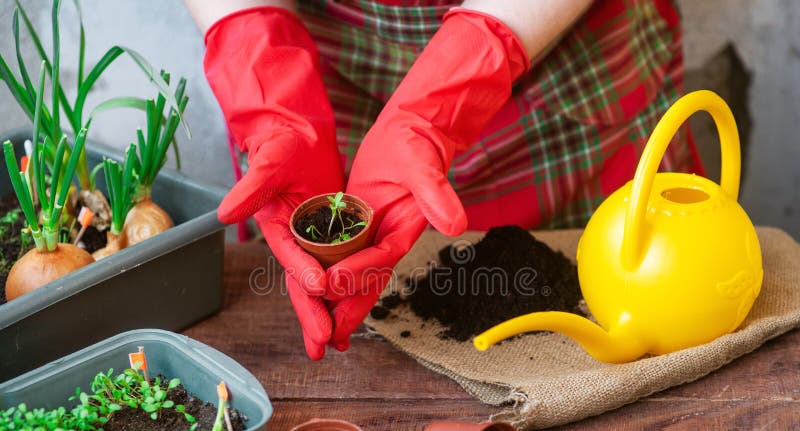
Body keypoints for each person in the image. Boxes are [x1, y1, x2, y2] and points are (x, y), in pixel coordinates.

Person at [184, 0, 702, 360]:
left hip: (564, 73)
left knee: (607, 286)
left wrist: (439, 102)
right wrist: (271, 90)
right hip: (332, 77)